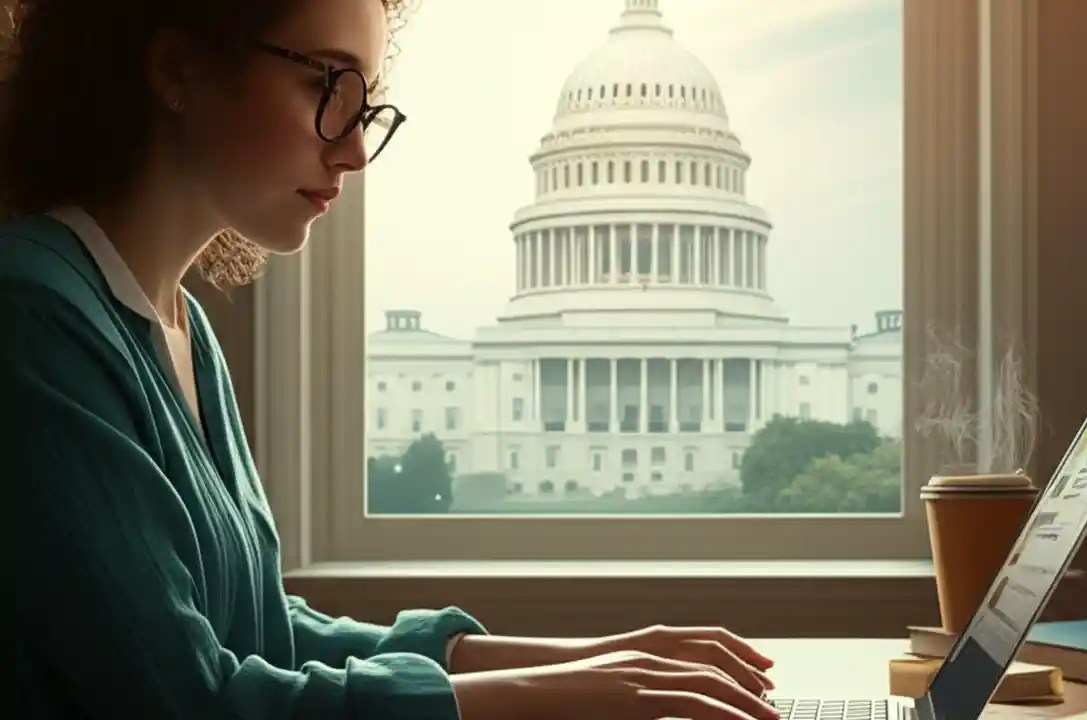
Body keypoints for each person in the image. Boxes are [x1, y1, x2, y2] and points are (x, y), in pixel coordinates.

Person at [0, 1, 783, 718]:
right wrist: (547, 692)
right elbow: (189, 699)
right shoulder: (30, 317)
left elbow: (260, 635)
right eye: (330, 86)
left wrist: (582, 659)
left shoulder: (180, 327)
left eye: (367, 105)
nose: (355, 150)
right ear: (180, 69)